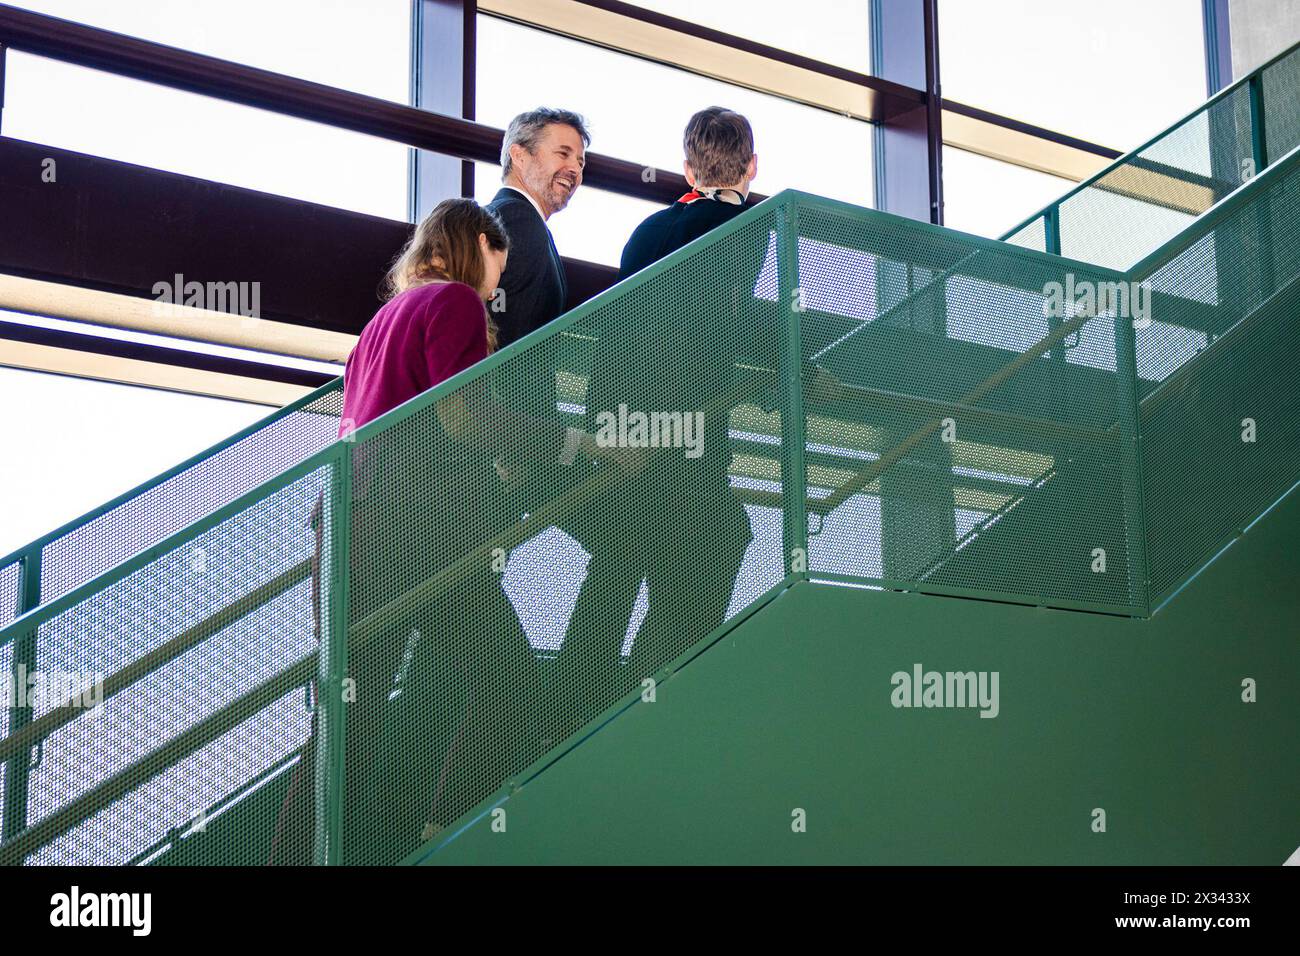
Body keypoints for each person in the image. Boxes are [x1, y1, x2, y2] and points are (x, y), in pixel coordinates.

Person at [271, 198, 607, 864]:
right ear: (475, 245)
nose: (494, 290)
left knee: (348, 722)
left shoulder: (380, 322)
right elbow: (461, 416)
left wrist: (495, 459)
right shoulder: (453, 301)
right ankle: (445, 836)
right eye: (495, 270)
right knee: (506, 677)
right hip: (417, 527)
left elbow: (417, 418)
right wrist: (573, 443)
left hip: (346, 525)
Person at [552, 108, 767, 735]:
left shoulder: (648, 231)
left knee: (620, 556)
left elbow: (628, 330)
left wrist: (605, 428)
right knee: (717, 538)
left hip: (622, 425)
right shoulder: (750, 228)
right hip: (689, 432)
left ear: (687, 166)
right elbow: (736, 320)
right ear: (751, 167)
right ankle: (659, 688)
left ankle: (575, 702)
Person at [487, 107, 590, 347]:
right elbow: (511, 331)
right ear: (520, 156)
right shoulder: (517, 217)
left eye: (580, 162)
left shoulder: (515, 217)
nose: (575, 169)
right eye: (563, 154)